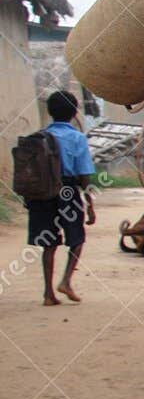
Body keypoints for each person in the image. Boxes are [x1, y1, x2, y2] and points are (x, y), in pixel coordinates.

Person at [28, 90, 97, 306]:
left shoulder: (39, 137)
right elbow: (84, 175)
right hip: (67, 190)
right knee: (76, 239)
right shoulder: (77, 138)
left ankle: (48, 293)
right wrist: (89, 203)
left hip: (42, 193)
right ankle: (66, 281)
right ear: (74, 112)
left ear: (49, 112)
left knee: (48, 243)